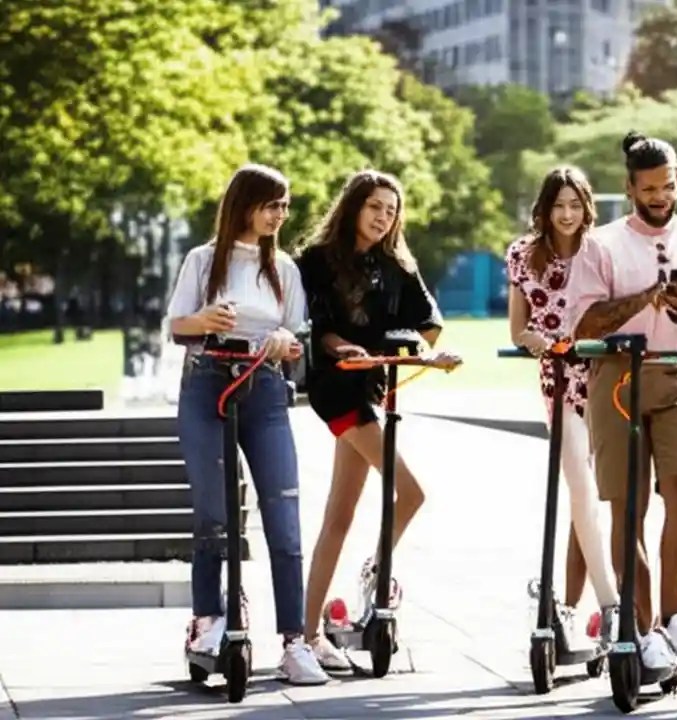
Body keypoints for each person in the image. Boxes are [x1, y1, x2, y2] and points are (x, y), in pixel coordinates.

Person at [569, 130, 677, 670]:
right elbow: (585, 321)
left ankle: (673, 617)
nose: (660, 197)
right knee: (628, 506)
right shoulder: (601, 244)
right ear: (630, 187)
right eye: (650, 189)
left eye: (668, 186)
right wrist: (645, 299)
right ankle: (642, 630)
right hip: (617, 379)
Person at [166, 163, 329, 685]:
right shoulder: (202, 260)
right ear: (244, 205)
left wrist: (285, 343)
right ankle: (208, 622)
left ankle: (294, 642)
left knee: (284, 515)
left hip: (264, 390)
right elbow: (176, 325)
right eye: (271, 204)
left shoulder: (284, 268)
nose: (280, 214)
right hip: (206, 385)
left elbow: (297, 333)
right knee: (214, 514)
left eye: (285, 205)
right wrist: (205, 321)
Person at [295, 169, 460, 672]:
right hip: (338, 387)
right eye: (374, 207)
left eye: (391, 210)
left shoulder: (396, 264)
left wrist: (429, 350)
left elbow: (427, 323)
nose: (383, 217)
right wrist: (343, 346)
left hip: (373, 387)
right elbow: (316, 327)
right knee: (411, 493)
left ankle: (308, 634)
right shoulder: (318, 260)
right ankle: (376, 570)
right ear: (353, 207)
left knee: (339, 516)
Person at [505, 165, 619, 645]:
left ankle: (583, 606)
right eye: (559, 205)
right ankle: (612, 605)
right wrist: (540, 342)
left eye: (576, 205)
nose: (568, 214)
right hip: (559, 381)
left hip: (607, 379)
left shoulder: (603, 252)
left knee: (606, 494)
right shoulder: (523, 255)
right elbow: (517, 328)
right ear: (545, 208)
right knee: (579, 490)